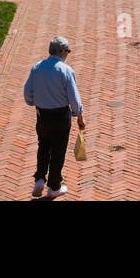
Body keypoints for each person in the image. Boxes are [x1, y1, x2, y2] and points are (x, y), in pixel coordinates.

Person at [22, 35, 85, 198]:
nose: (68, 54)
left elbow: (27, 92)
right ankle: (54, 186)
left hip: (42, 115)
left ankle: (40, 178)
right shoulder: (66, 70)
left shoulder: (37, 67)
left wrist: (33, 102)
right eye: (68, 51)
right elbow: (74, 99)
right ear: (62, 51)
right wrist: (78, 115)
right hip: (61, 116)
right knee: (58, 151)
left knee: (43, 146)